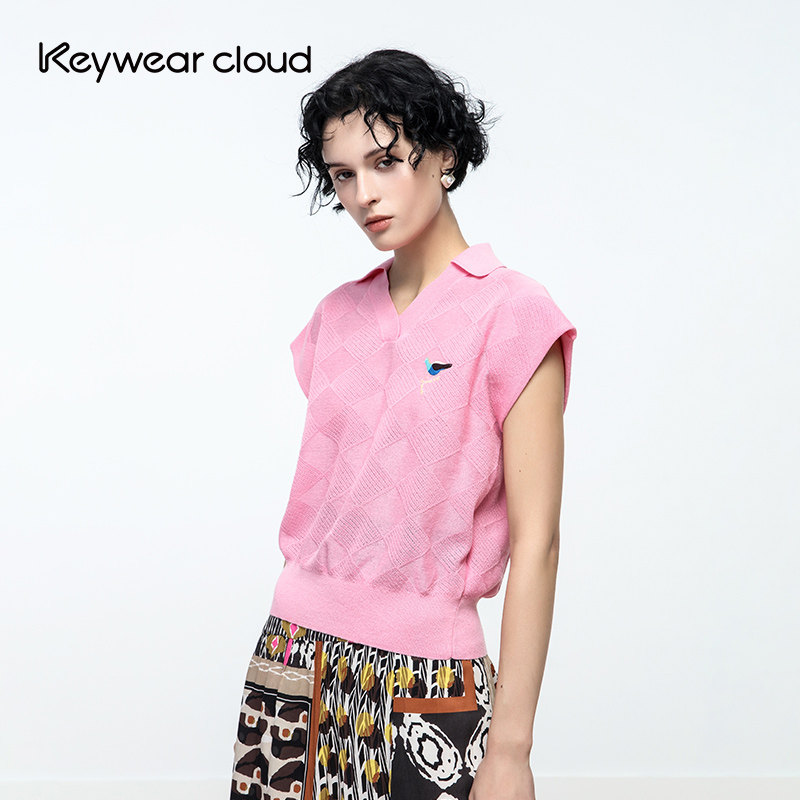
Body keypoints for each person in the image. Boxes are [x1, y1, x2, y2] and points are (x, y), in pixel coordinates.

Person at [230, 48, 577, 800]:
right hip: (290, 658)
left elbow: (538, 544)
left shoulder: (514, 315)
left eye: (385, 162)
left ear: (445, 154)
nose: (364, 195)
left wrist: (510, 750)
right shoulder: (337, 316)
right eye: (343, 174)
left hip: (426, 678)